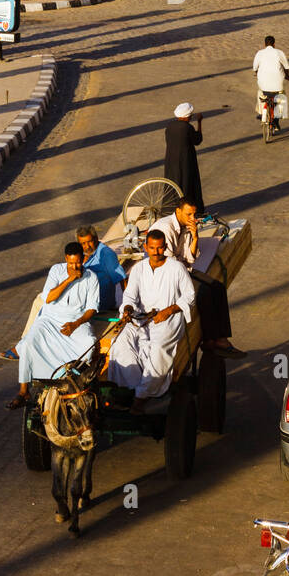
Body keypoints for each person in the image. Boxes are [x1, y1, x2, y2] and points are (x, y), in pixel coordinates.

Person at [107, 230, 196, 410]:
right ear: (146, 247)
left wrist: (168, 310)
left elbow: (190, 296)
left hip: (168, 319)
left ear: (165, 247)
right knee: (120, 343)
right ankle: (131, 388)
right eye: (152, 248)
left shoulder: (176, 268)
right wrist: (127, 309)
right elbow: (130, 295)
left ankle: (141, 397)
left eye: (159, 248)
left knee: (158, 349)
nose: (155, 252)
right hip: (140, 318)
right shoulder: (139, 268)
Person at [6, 242, 100, 409]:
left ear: (83, 259)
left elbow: (92, 308)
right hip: (50, 319)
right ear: (66, 259)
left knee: (89, 343)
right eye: (71, 263)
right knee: (28, 343)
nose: (75, 266)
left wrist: (76, 323)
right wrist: (70, 279)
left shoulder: (91, 277)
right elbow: (49, 298)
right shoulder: (56, 270)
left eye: (78, 262)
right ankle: (23, 391)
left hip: (75, 321)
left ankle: (74, 382)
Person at [151, 199, 244, 358]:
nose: (193, 218)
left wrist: (194, 237)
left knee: (217, 287)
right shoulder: (166, 228)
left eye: (194, 214)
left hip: (181, 268)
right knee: (202, 293)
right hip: (166, 274)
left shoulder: (187, 226)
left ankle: (221, 339)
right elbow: (168, 264)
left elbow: (190, 257)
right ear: (178, 212)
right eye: (189, 214)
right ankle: (208, 341)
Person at [164, 101, 204, 211]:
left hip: (171, 161)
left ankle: (171, 208)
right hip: (186, 161)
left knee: (173, 182)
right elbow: (198, 140)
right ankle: (188, 208)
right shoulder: (187, 128)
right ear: (187, 116)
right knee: (187, 183)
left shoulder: (169, 126)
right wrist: (199, 122)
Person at [76, 225, 127, 312]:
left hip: (99, 305)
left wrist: (128, 304)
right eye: (83, 244)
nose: (87, 246)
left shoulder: (106, 254)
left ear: (96, 239)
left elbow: (122, 279)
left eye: (89, 242)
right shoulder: (81, 254)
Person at [252, 35, 289, 120]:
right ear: (274, 44)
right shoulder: (279, 52)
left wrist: (258, 74)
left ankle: (261, 112)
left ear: (264, 44)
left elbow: (255, 68)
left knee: (261, 93)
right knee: (281, 95)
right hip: (278, 83)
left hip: (263, 83)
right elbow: (286, 67)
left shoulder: (260, 53)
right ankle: (279, 113)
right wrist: (287, 76)